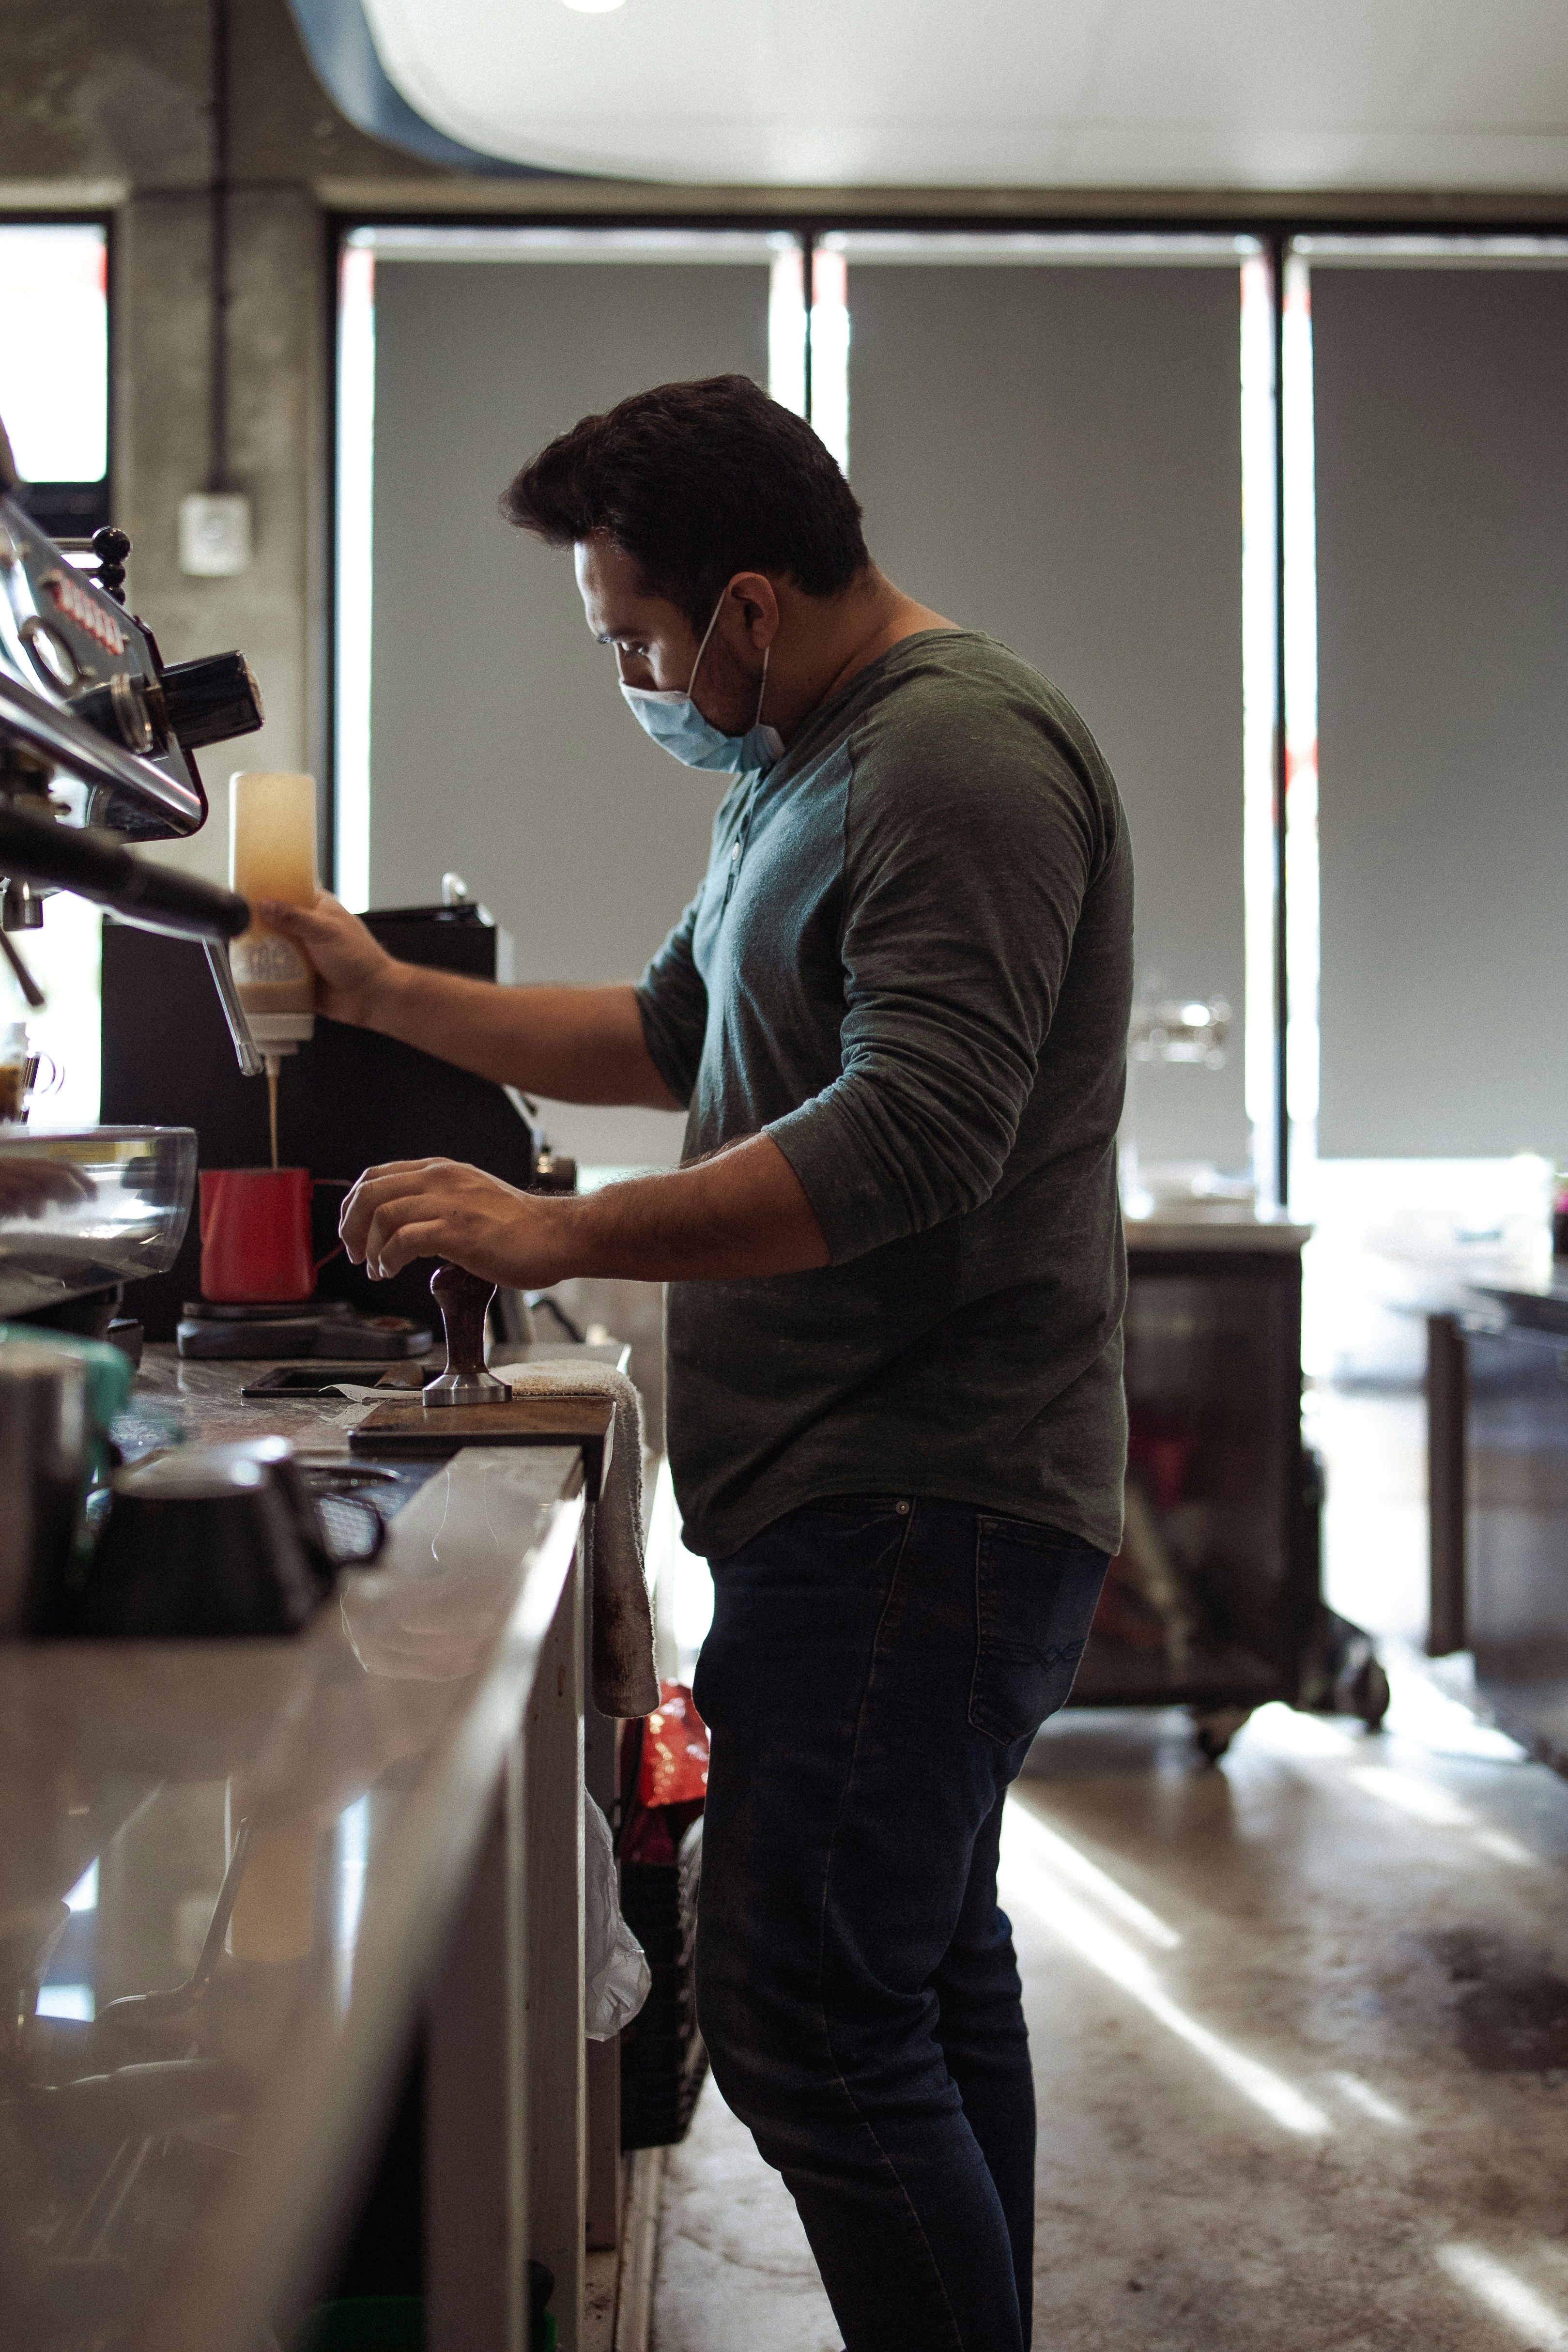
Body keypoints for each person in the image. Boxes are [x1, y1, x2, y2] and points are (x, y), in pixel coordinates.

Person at [262, 372, 1132, 2352]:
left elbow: (919, 1136)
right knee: (919, 1979)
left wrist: (551, 1230)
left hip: (925, 1491)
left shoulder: (954, 761)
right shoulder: (800, 770)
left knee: (809, 2016)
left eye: (637, 638)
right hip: (864, 1490)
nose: (633, 680)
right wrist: (389, 993)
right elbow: (672, 1035)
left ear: (748, 604)